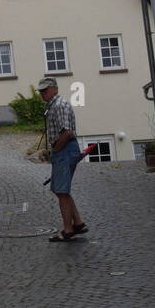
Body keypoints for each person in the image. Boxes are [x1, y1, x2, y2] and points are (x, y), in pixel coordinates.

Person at [37, 77, 91, 241]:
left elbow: (66, 132)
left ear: (54, 89)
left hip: (65, 149)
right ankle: (79, 223)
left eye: (45, 90)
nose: (42, 93)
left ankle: (68, 230)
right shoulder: (55, 104)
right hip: (65, 149)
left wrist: (56, 150)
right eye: (40, 91)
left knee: (61, 190)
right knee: (60, 189)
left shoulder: (59, 105)